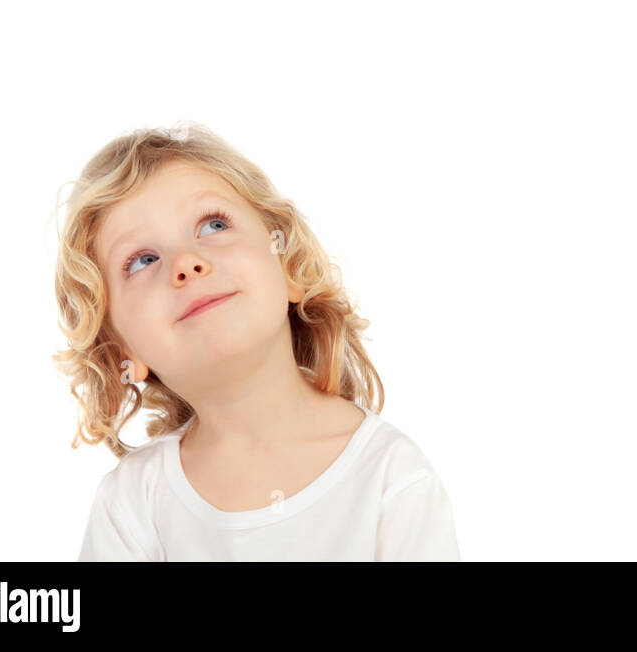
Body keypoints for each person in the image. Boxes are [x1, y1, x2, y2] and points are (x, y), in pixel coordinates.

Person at [55, 122, 459, 561]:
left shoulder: (392, 478)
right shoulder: (133, 503)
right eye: (143, 260)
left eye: (213, 225)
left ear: (288, 266)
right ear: (122, 352)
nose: (187, 263)